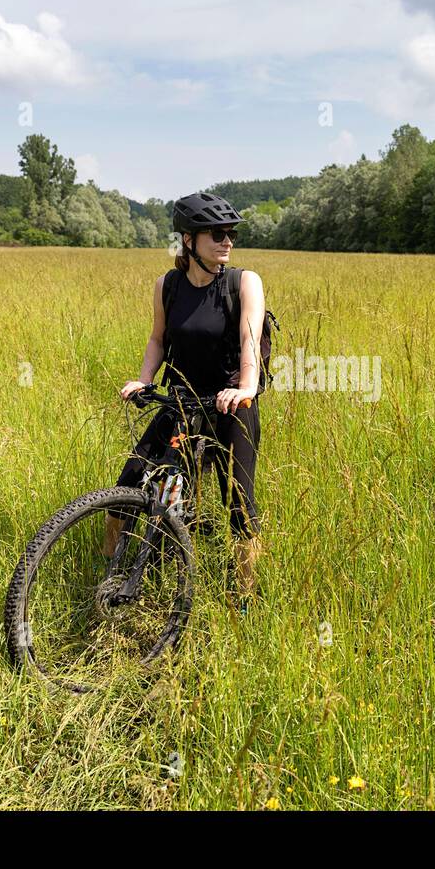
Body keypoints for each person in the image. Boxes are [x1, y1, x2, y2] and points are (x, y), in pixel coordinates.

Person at [102, 192, 266, 606]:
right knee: (126, 489)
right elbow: (158, 339)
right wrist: (143, 381)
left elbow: (250, 340)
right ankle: (110, 577)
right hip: (180, 400)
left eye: (231, 233)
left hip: (231, 404)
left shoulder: (243, 282)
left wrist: (246, 387)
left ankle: (242, 600)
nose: (228, 241)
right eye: (217, 234)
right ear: (189, 240)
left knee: (240, 509)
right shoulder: (168, 285)